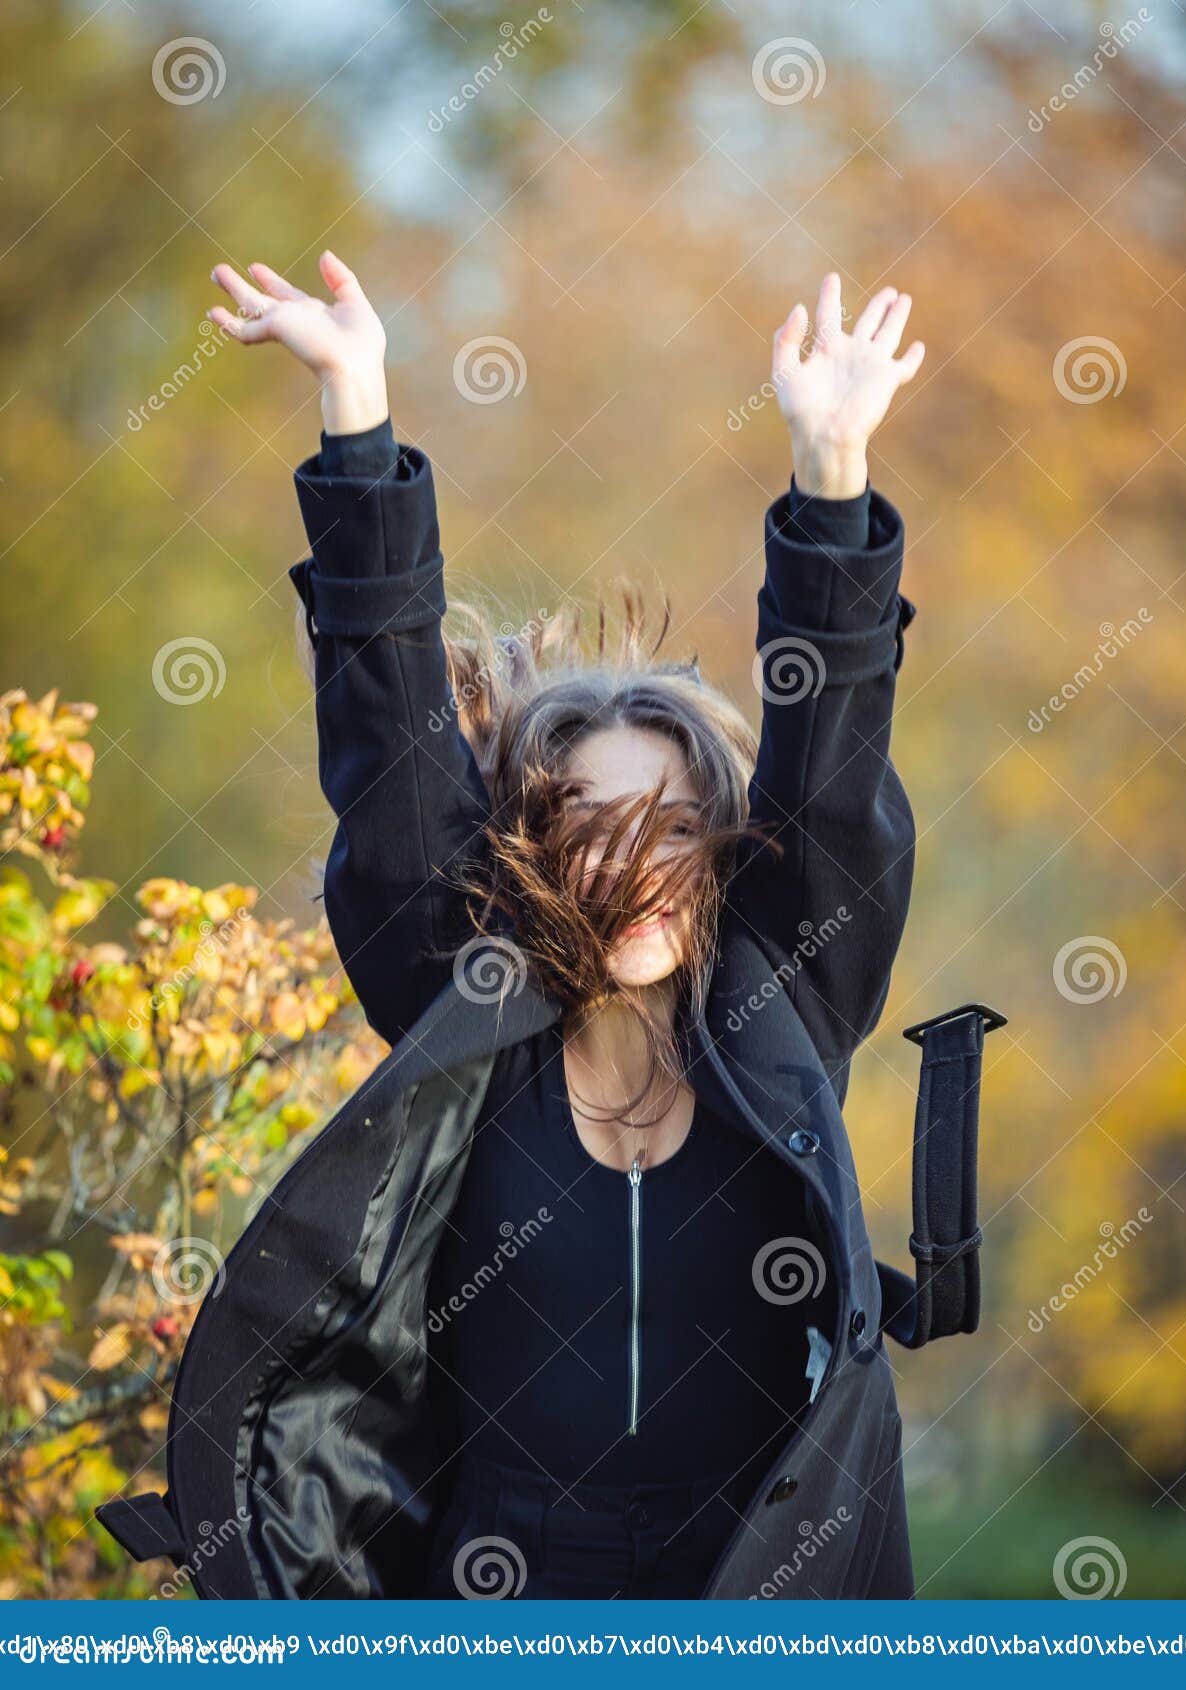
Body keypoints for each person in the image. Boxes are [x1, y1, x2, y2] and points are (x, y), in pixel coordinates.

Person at [198, 252, 922, 1599]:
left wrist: (833, 470)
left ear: (721, 857)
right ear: (530, 852)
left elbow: (829, 781)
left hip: (753, 1610)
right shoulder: (463, 1012)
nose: (634, 866)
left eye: (671, 830)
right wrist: (356, 409)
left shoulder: (782, 1009)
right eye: (588, 825)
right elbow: (396, 771)